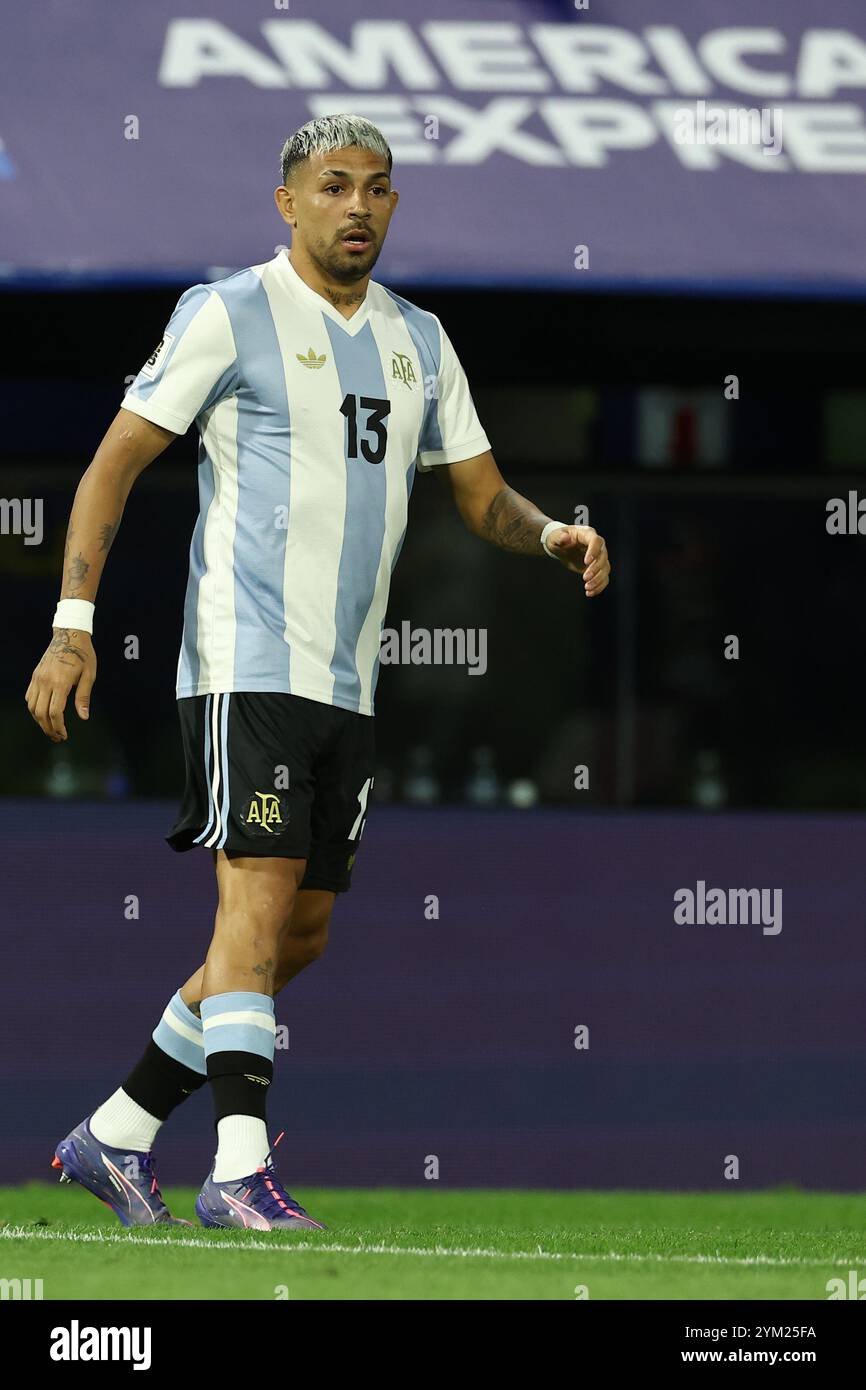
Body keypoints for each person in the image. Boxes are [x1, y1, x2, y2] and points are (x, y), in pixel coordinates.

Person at [25, 114, 611, 1232]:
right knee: (252, 904)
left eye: (377, 188)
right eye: (334, 186)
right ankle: (238, 1173)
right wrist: (72, 624)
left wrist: (547, 534)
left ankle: (116, 1130)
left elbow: (479, 492)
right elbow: (113, 464)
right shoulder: (227, 311)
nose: (357, 206)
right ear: (287, 202)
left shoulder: (418, 339)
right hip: (245, 661)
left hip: (347, 684)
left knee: (297, 933)